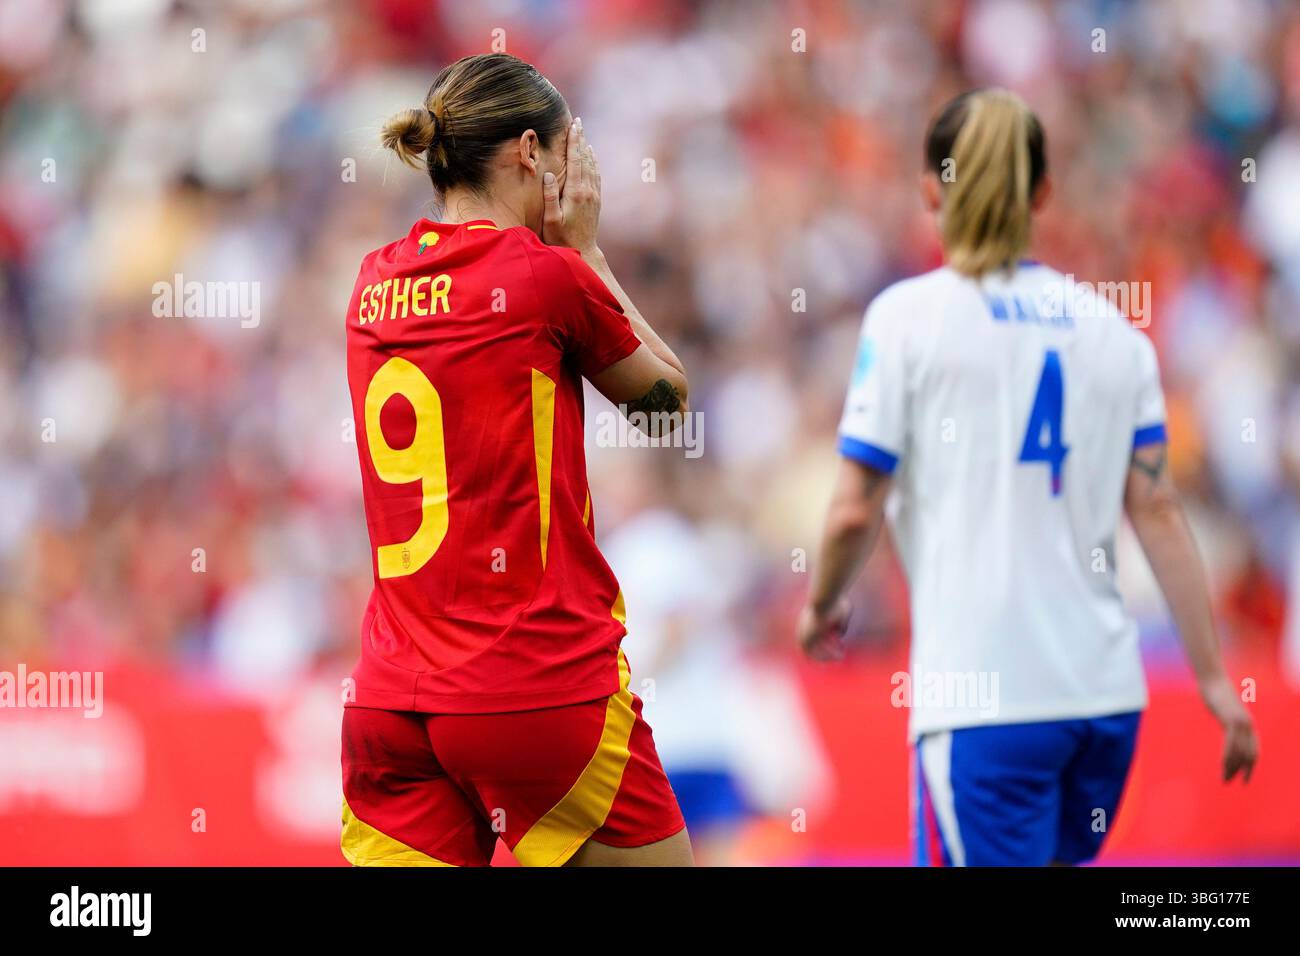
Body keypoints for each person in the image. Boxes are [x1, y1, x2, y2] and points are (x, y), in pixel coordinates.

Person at [797, 88, 1259, 867]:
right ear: (1043, 192)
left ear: (929, 190)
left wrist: (820, 606)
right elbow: (1159, 512)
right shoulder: (1114, 332)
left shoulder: (908, 319)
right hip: (1104, 701)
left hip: (988, 698)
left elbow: (852, 510)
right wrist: (1214, 679)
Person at [339, 53, 692, 867]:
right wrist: (589, 253)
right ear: (531, 152)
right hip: (536, 688)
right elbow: (669, 408)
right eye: (570, 155)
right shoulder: (544, 275)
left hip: (392, 704)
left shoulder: (370, 284)